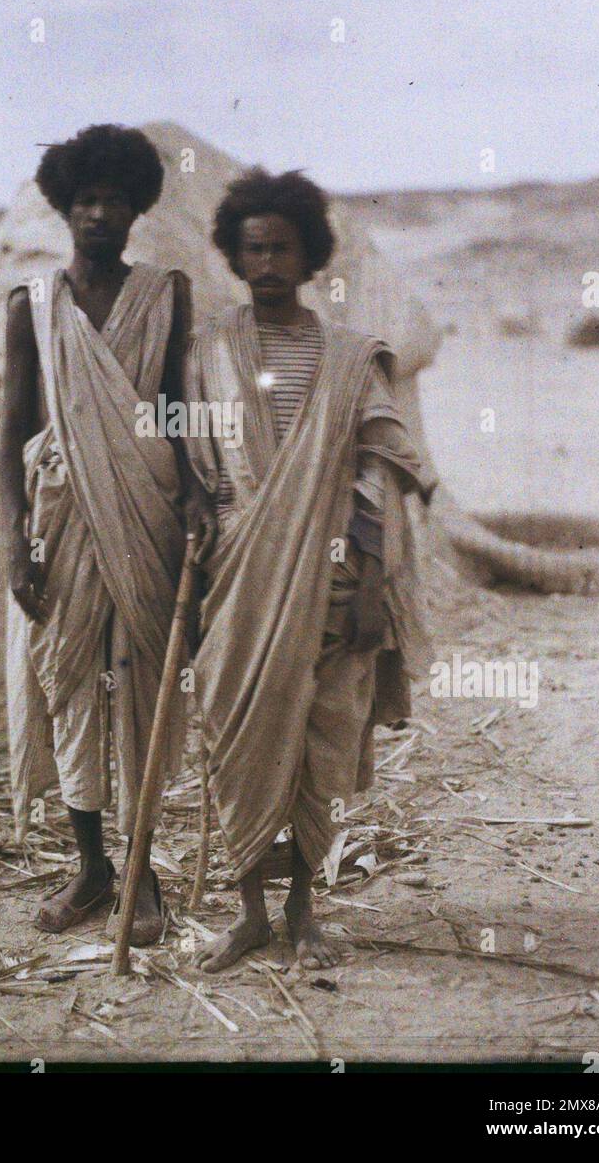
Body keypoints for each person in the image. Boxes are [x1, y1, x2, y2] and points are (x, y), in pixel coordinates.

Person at [184, 168, 436, 972]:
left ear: (310, 254)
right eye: (252, 248)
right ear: (233, 252)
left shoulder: (350, 355)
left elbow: (378, 471)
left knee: (316, 743)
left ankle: (304, 911)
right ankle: (251, 912)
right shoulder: (206, 352)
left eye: (281, 247)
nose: (266, 263)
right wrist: (195, 510)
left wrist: (370, 580)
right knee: (239, 738)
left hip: (332, 573)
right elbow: (192, 461)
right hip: (236, 574)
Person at [0, 123, 214, 944]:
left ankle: (144, 872)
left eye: (114, 199)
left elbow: (176, 403)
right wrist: (15, 539)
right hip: (61, 522)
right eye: (85, 198)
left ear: (135, 207)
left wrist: (194, 487)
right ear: (64, 205)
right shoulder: (34, 305)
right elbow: (10, 429)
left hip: (148, 512)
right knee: (69, 688)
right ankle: (91, 872)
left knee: (145, 688)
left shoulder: (167, 294)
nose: (99, 213)